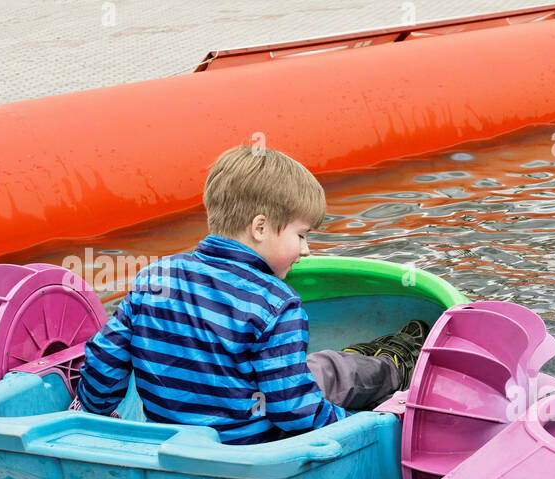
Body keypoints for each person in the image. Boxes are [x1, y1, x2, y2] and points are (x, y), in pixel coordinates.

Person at [76, 145, 428, 443]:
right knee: (334, 371)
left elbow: (104, 361)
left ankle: (377, 359)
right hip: (255, 445)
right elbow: (293, 411)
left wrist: (95, 416)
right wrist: (349, 425)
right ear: (260, 228)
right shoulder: (275, 303)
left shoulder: (155, 276)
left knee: (309, 371)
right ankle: (396, 365)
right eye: (301, 235)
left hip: (175, 441)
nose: (305, 250)